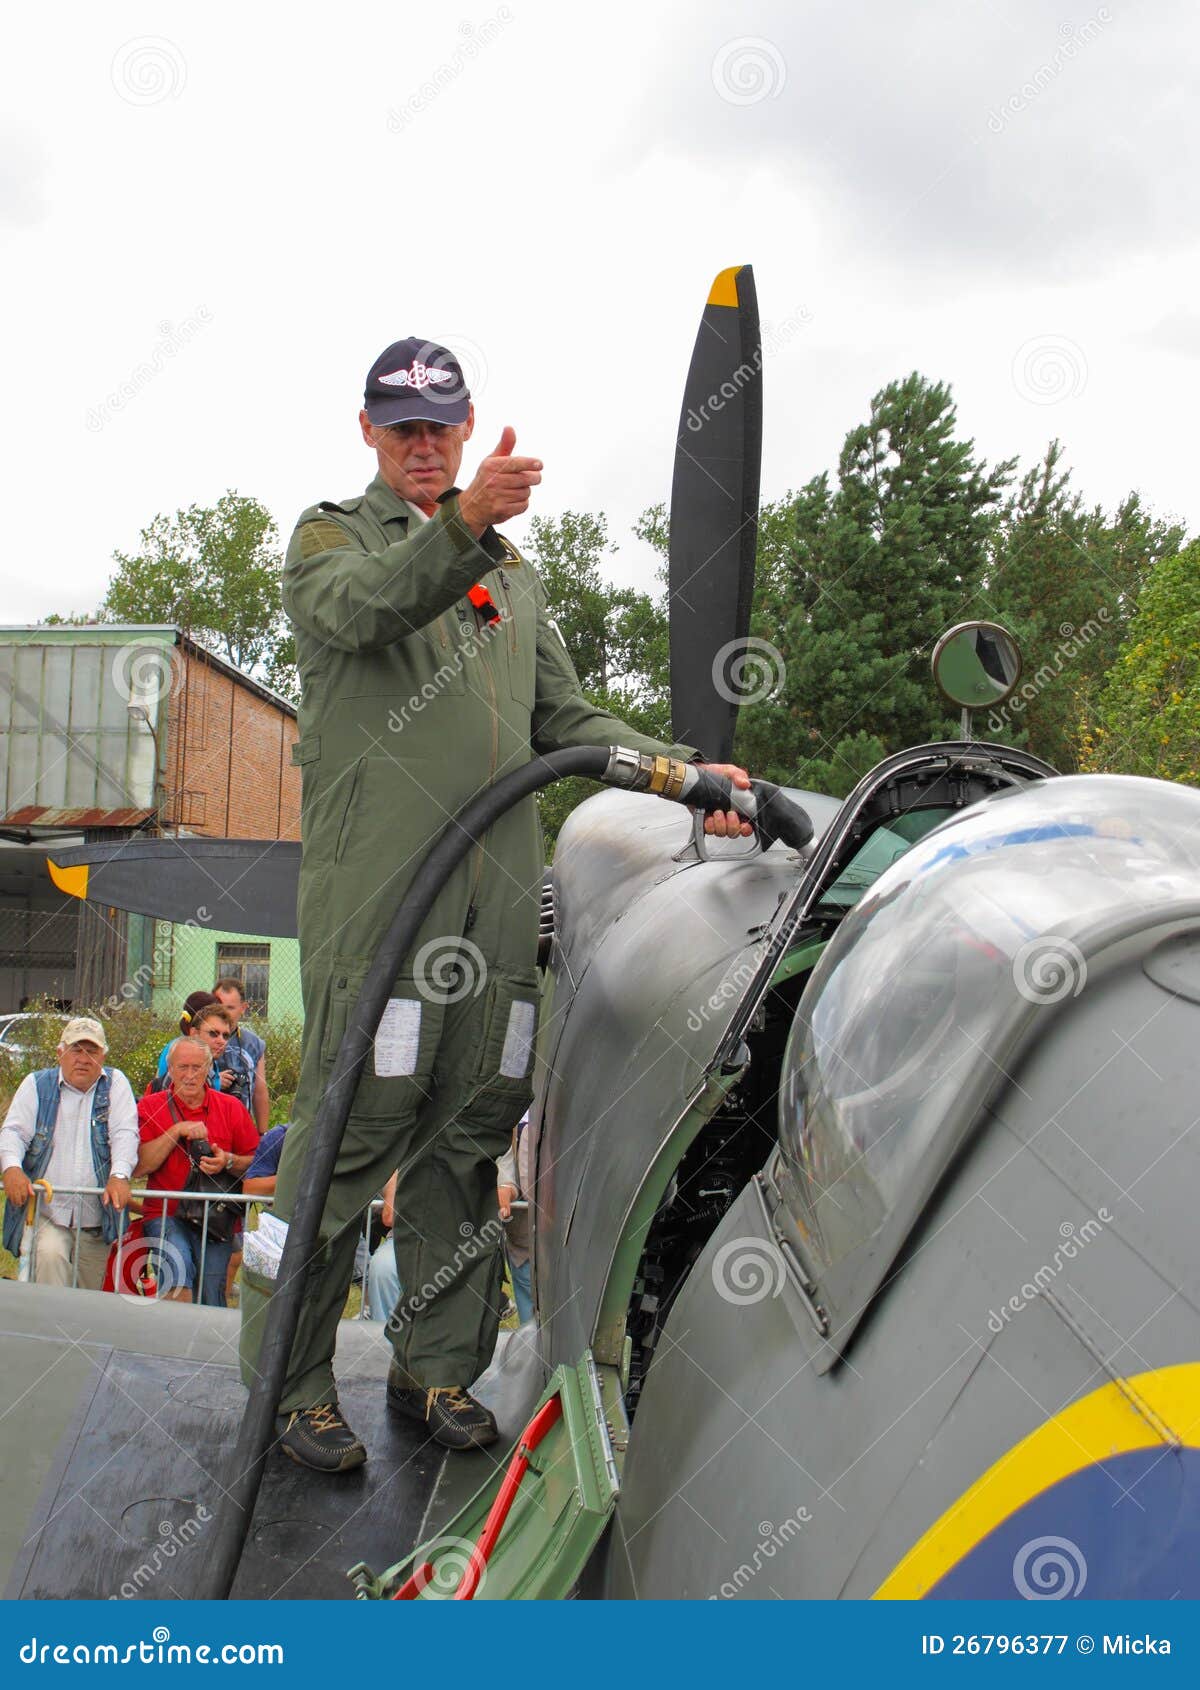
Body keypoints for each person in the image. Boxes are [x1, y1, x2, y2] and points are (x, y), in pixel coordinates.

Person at [238, 334, 753, 1471]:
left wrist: (695, 776)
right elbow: (370, 609)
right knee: (347, 1136)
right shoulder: (328, 541)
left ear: (467, 427)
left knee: (469, 1134)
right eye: (403, 428)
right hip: (386, 913)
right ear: (369, 434)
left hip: (498, 910)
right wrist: (466, 519)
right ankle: (288, 1384)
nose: (423, 445)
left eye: (441, 426)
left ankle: (434, 1373)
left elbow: (567, 726)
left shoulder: (510, 581)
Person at [0, 1018, 138, 1289]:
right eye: (76, 1050)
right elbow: (14, 1132)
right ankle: (49, 1329)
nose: (83, 1059)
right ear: (60, 1053)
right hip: (48, 1215)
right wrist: (12, 1168)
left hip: (97, 1219)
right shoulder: (36, 1084)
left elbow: (125, 1133)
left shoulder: (116, 1084)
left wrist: (120, 1174)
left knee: (88, 1297)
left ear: (103, 1055)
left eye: (92, 1051)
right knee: (50, 1260)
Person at [135, 1035, 259, 1306]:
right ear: (170, 1070)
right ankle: (174, 1346)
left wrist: (227, 1161)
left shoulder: (232, 1108)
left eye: (197, 1067)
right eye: (183, 1067)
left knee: (211, 1294)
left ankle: (205, 1345)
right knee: (177, 1278)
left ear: (208, 1069)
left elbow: (255, 1162)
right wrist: (176, 1131)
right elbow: (142, 1165)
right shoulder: (149, 1106)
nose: (190, 1075)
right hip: (165, 1212)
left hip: (215, 1218)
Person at [213, 978, 269, 1132]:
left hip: (242, 1128)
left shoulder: (254, 1044)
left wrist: (262, 1134)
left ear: (243, 1008)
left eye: (230, 1007)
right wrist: (214, 1079)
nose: (223, 1012)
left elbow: (260, 1091)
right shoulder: (198, 1039)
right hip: (206, 1128)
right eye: (218, 1006)